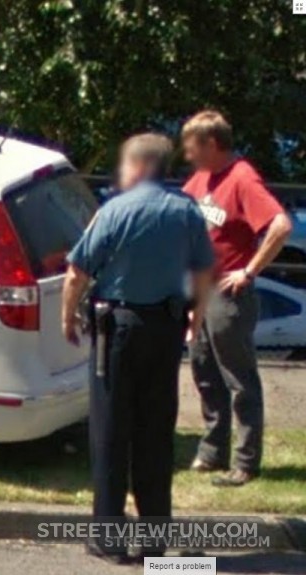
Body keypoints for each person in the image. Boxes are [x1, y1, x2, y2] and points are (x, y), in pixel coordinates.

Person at [62, 133, 214, 563]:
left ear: (140, 167)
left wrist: (67, 318)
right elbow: (203, 272)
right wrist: (195, 320)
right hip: (165, 328)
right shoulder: (186, 211)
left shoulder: (115, 211)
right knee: (154, 434)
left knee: (111, 432)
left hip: (118, 329)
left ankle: (109, 538)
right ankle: (154, 539)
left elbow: (77, 272)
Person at [181, 111, 293, 487]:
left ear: (212, 144)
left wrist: (249, 270)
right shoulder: (201, 179)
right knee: (204, 374)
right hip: (199, 293)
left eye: (192, 147)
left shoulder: (242, 178)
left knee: (238, 379)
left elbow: (280, 225)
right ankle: (213, 453)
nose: (187, 156)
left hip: (227, 296)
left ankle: (245, 462)